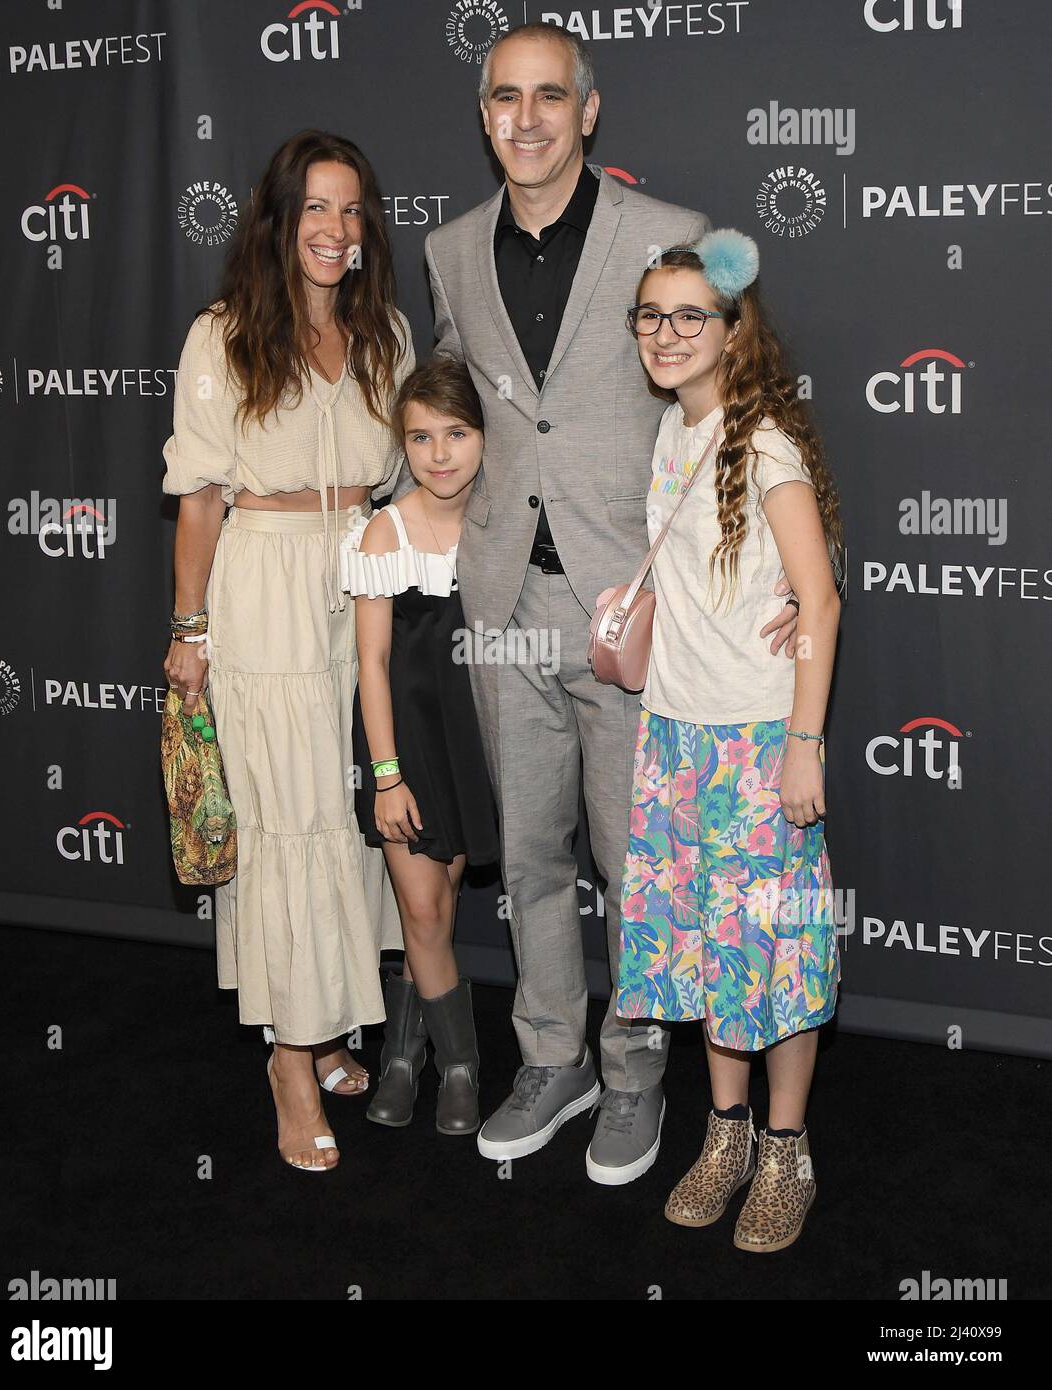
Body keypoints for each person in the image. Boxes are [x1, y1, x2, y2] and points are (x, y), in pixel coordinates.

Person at [396, 21, 800, 1184]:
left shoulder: (669, 237)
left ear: (588, 109)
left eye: (548, 97)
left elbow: (751, 397)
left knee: (636, 861)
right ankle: (550, 1056)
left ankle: (632, 1075)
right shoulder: (449, 247)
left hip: (634, 604)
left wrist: (793, 582)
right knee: (524, 853)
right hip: (500, 597)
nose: (525, 118)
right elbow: (454, 408)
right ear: (483, 116)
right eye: (503, 98)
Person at [161, 130, 414, 1172]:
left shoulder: (384, 333)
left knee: (351, 816)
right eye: (314, 207)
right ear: (277, 221)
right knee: (286, 817)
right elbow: (200, 501)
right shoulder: (220, 337)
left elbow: (410, 479)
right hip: (262, 587)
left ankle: (334, 1021)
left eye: (350, 211)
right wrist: (188, 633)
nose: (333, 228)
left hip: (359, 583)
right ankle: (290, 1058)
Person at [615, 231, 842, 1250]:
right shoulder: (672, 431)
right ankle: (725, 1134)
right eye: (649, 316)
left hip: (756, 744)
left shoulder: (769, 447)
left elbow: (821, 598)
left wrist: (803, 741)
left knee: (777, 951)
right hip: (675, 740)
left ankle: (784, 1148)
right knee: (708, 950)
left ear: (731, 330)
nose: (665, 334)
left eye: (687, 317)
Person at [341, 359, 499, 1136]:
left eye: (457, 434)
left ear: (483, 435)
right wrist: (385, 777)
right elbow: (369, 663)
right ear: (401, 445)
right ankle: (457, 1067)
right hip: (402, 747)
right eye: (421, 438)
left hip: (474, 745)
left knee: (430, 913)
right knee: (424, 907)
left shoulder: (503, 524)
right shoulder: (385, 529)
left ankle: (407, 1053)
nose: (440, 454)